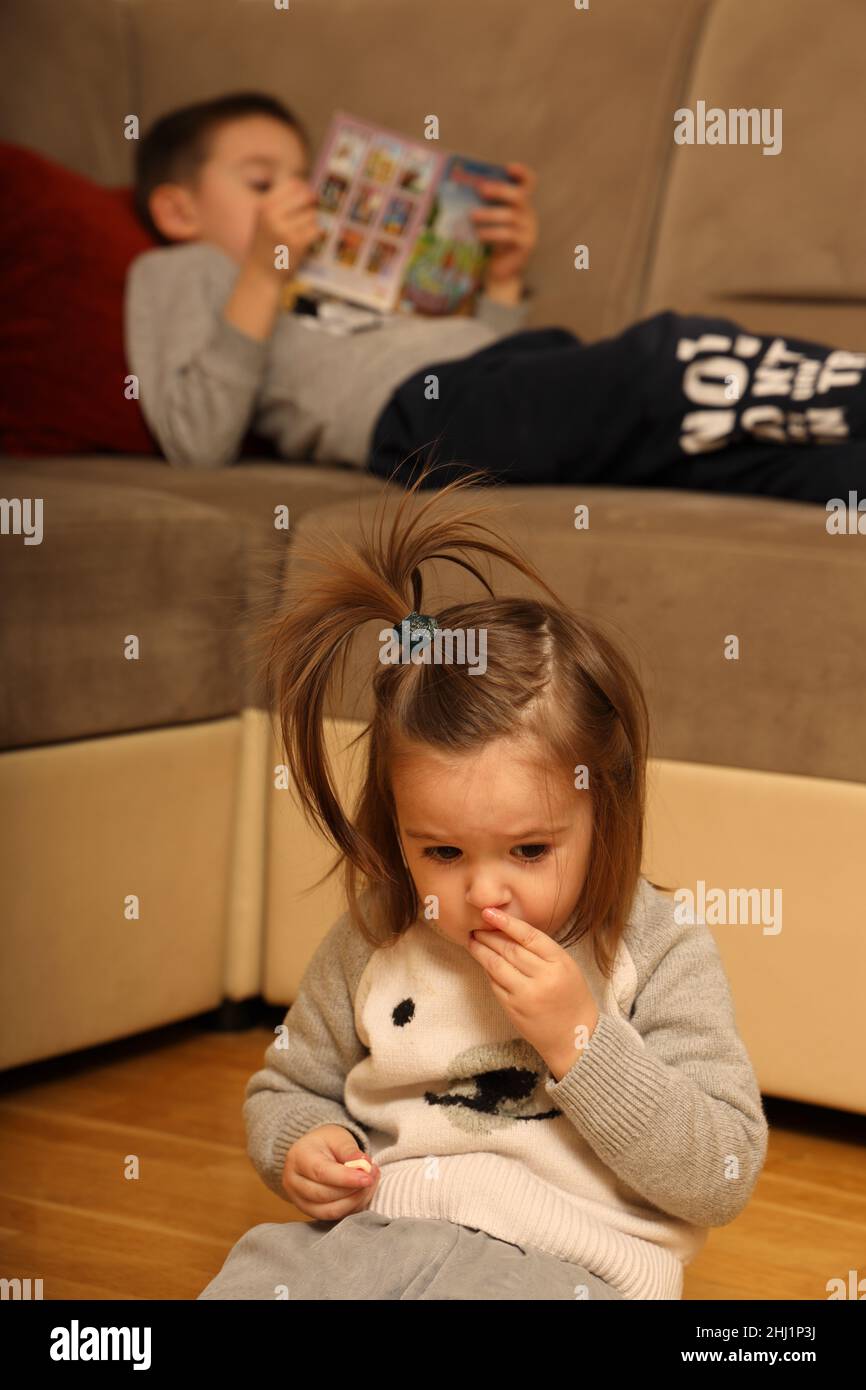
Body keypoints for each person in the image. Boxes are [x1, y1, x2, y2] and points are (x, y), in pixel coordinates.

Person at [196, 463, 769, 1301]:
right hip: (374, 1237)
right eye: (443, 854)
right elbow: (289, 1084)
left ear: (603, 812)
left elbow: (721, 1171)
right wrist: (302, 1143)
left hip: (565, 1271)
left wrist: (581, 1038)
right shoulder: (376, 936)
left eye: (530, 851)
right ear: (397, 828)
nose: (485, 894)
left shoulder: (656, 946)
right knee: (257, 1274)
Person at [127, 92, 866, 505]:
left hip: (499, 375)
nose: (296, 198)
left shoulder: (332, 269)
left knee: (748, 454)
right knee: (670, 358)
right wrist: (265, 270)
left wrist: (502, 280)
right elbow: (196, 444)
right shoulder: (185, 271)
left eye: (304, 179)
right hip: (415, 415)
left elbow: (467, 354)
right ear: (177, 210)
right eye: (263, 183)